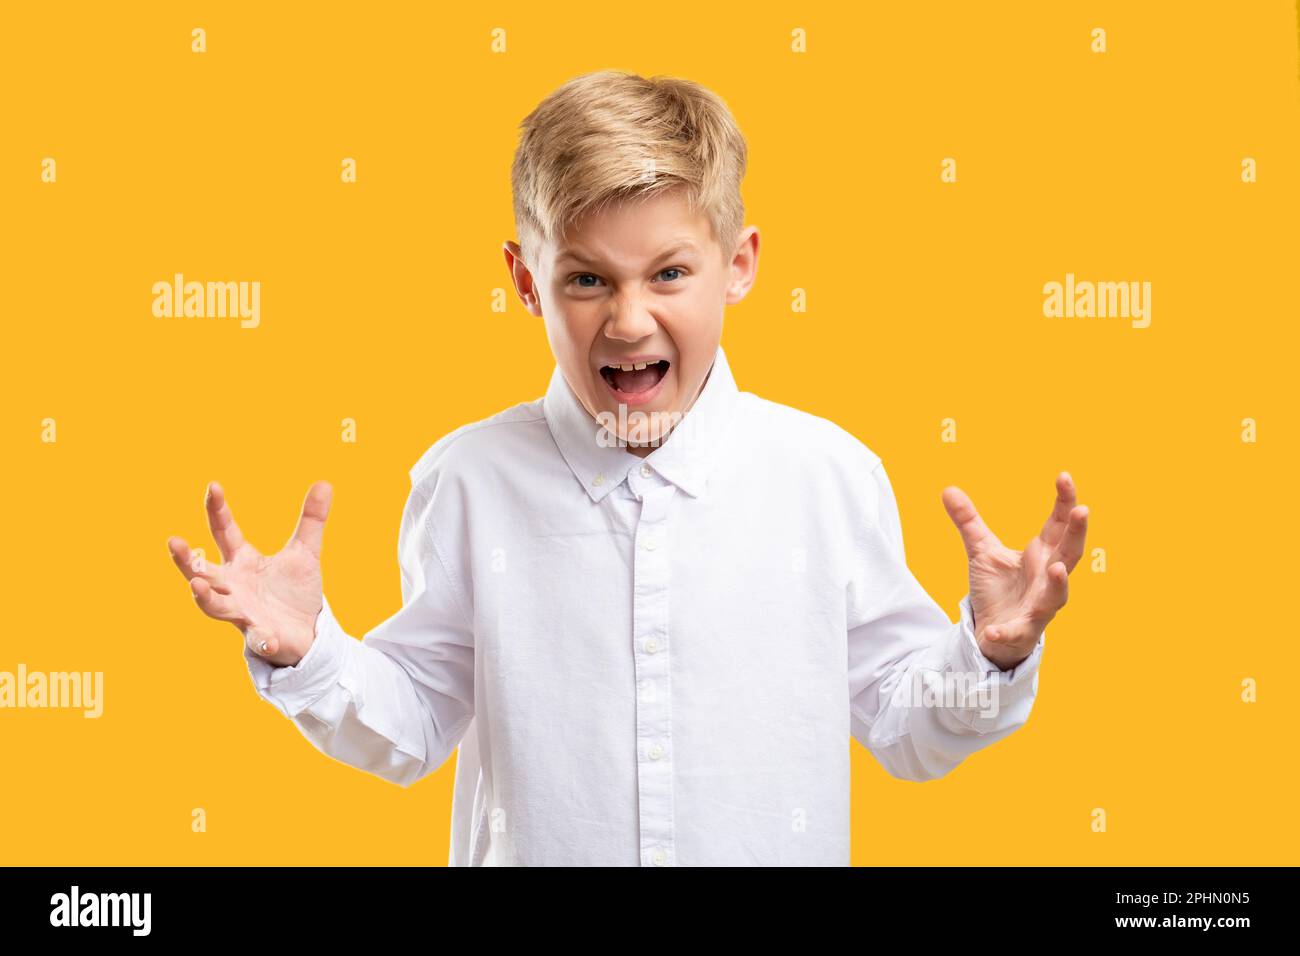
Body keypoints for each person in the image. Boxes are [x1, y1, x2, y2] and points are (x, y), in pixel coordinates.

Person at [166, 70, 1088, 866]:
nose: (631, 320)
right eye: (587, 278)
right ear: (526, 283)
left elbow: (907, 727)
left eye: (670, 274)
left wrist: (992, 653)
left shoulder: (825, 475)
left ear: (739, 265)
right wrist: (308, 651)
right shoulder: (468, 482)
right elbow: (410, 727)